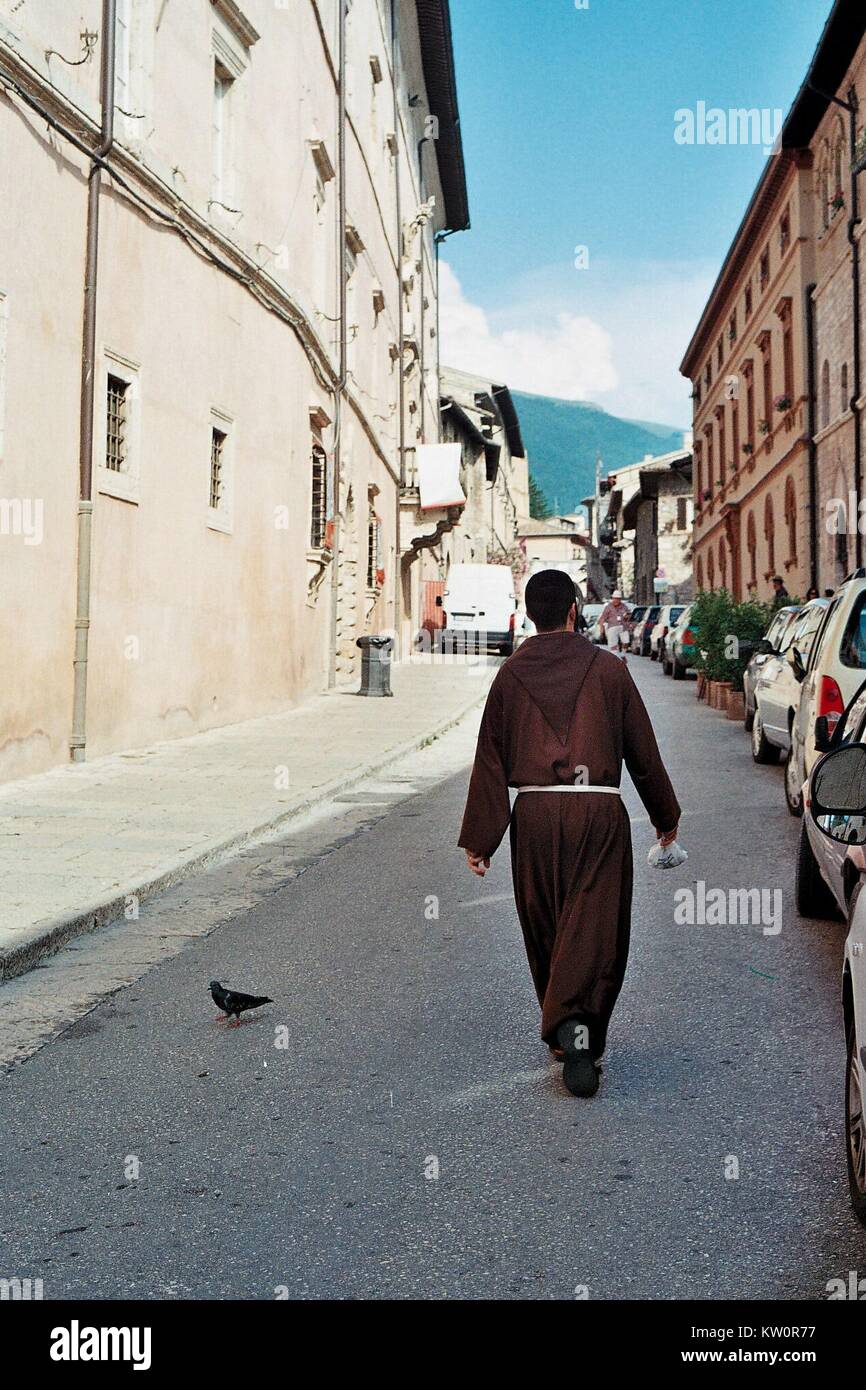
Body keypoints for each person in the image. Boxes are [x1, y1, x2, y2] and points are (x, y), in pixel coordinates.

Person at [458, 569, 681, 1098]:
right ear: (573, 609)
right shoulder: (608, 670)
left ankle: (566, 1034)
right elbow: (641, 752)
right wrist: (665, 819)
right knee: (594, 926)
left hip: (533, 818)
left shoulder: (510, 675)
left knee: (548, 926)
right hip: (598, 816)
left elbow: (490, 756)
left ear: (532, 613)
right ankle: (580, 1034)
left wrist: (481, 837)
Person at [598, 590, 627, 656]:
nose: (616, 600)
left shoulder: (624, 606)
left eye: (618, 599)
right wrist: (601, 629)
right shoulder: (608, 607)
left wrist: (627, 617)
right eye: (615, 598)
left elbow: (628, 615)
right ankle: (615, 657)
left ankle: (622, 655)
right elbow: (602, 618)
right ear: (613, 598)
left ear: (620, 599)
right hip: (612, 627)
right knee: (613, 644)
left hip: (622, 627)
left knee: (626, 641)